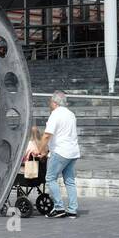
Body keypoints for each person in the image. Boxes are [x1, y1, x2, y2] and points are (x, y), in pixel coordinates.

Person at [39, 90, 80, 218]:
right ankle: (72, 210)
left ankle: (59, 208)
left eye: (51, 101)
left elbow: (47, 135)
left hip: (60, 151)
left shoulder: (55, 115)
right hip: (72, 151)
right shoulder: (71, 114)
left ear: (54, 102)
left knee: (50, 178)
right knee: (70, 181)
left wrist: (40, 150)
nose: (50, 103)